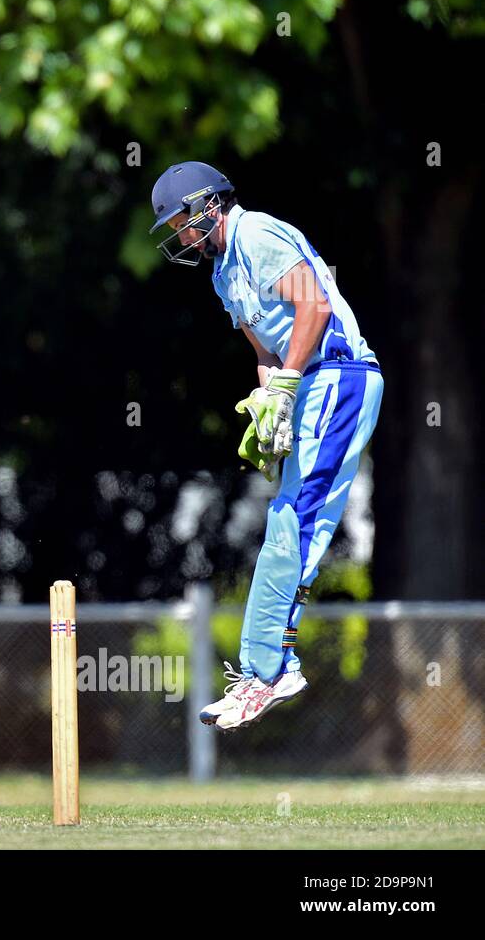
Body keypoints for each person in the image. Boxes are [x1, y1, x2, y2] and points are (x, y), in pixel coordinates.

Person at [148, 162, 383, 732]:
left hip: (339, 376)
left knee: (294, 523)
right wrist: (269, 407)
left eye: (181, 221)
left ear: (208, 206)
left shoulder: (257, 234)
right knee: (286, 521)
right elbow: (266, 352)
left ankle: (270, 670)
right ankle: (266, 668)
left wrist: (287, 385)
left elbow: (315, 307)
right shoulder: (222, 275)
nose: (180, 236)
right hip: (308, 386)